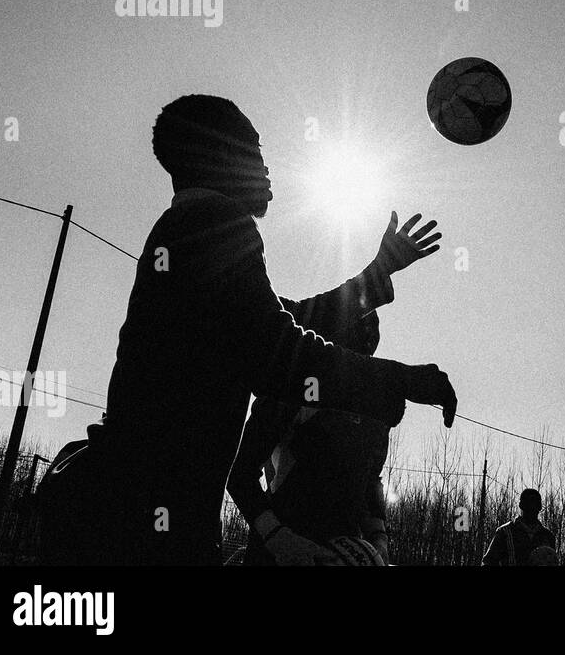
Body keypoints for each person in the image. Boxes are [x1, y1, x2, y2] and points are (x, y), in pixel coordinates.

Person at [44, 94, 457, 565]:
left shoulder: (189, 229)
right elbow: (277, 352)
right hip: (138, 516)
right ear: (222, 156)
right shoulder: (214, 222)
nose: (268, 176)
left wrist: (376, 272)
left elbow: (286, 320)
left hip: (136, 506)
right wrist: (397, 380)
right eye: (258, 155)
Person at [228, 310, 395, 566]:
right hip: (278, 553)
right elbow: (240, 474)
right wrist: (279, 539)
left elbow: (371, 481)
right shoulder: (287, 391)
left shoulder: (375, 413)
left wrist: (379, 538)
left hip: (340, 552)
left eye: (364, 358)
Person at [482, 488, 556, 566]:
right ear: (521, 505)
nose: (531, 507)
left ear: (540, 507)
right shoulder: (505, 532)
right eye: (528, 503)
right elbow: (489, 561)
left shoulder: (548, 536)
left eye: (535, 503)